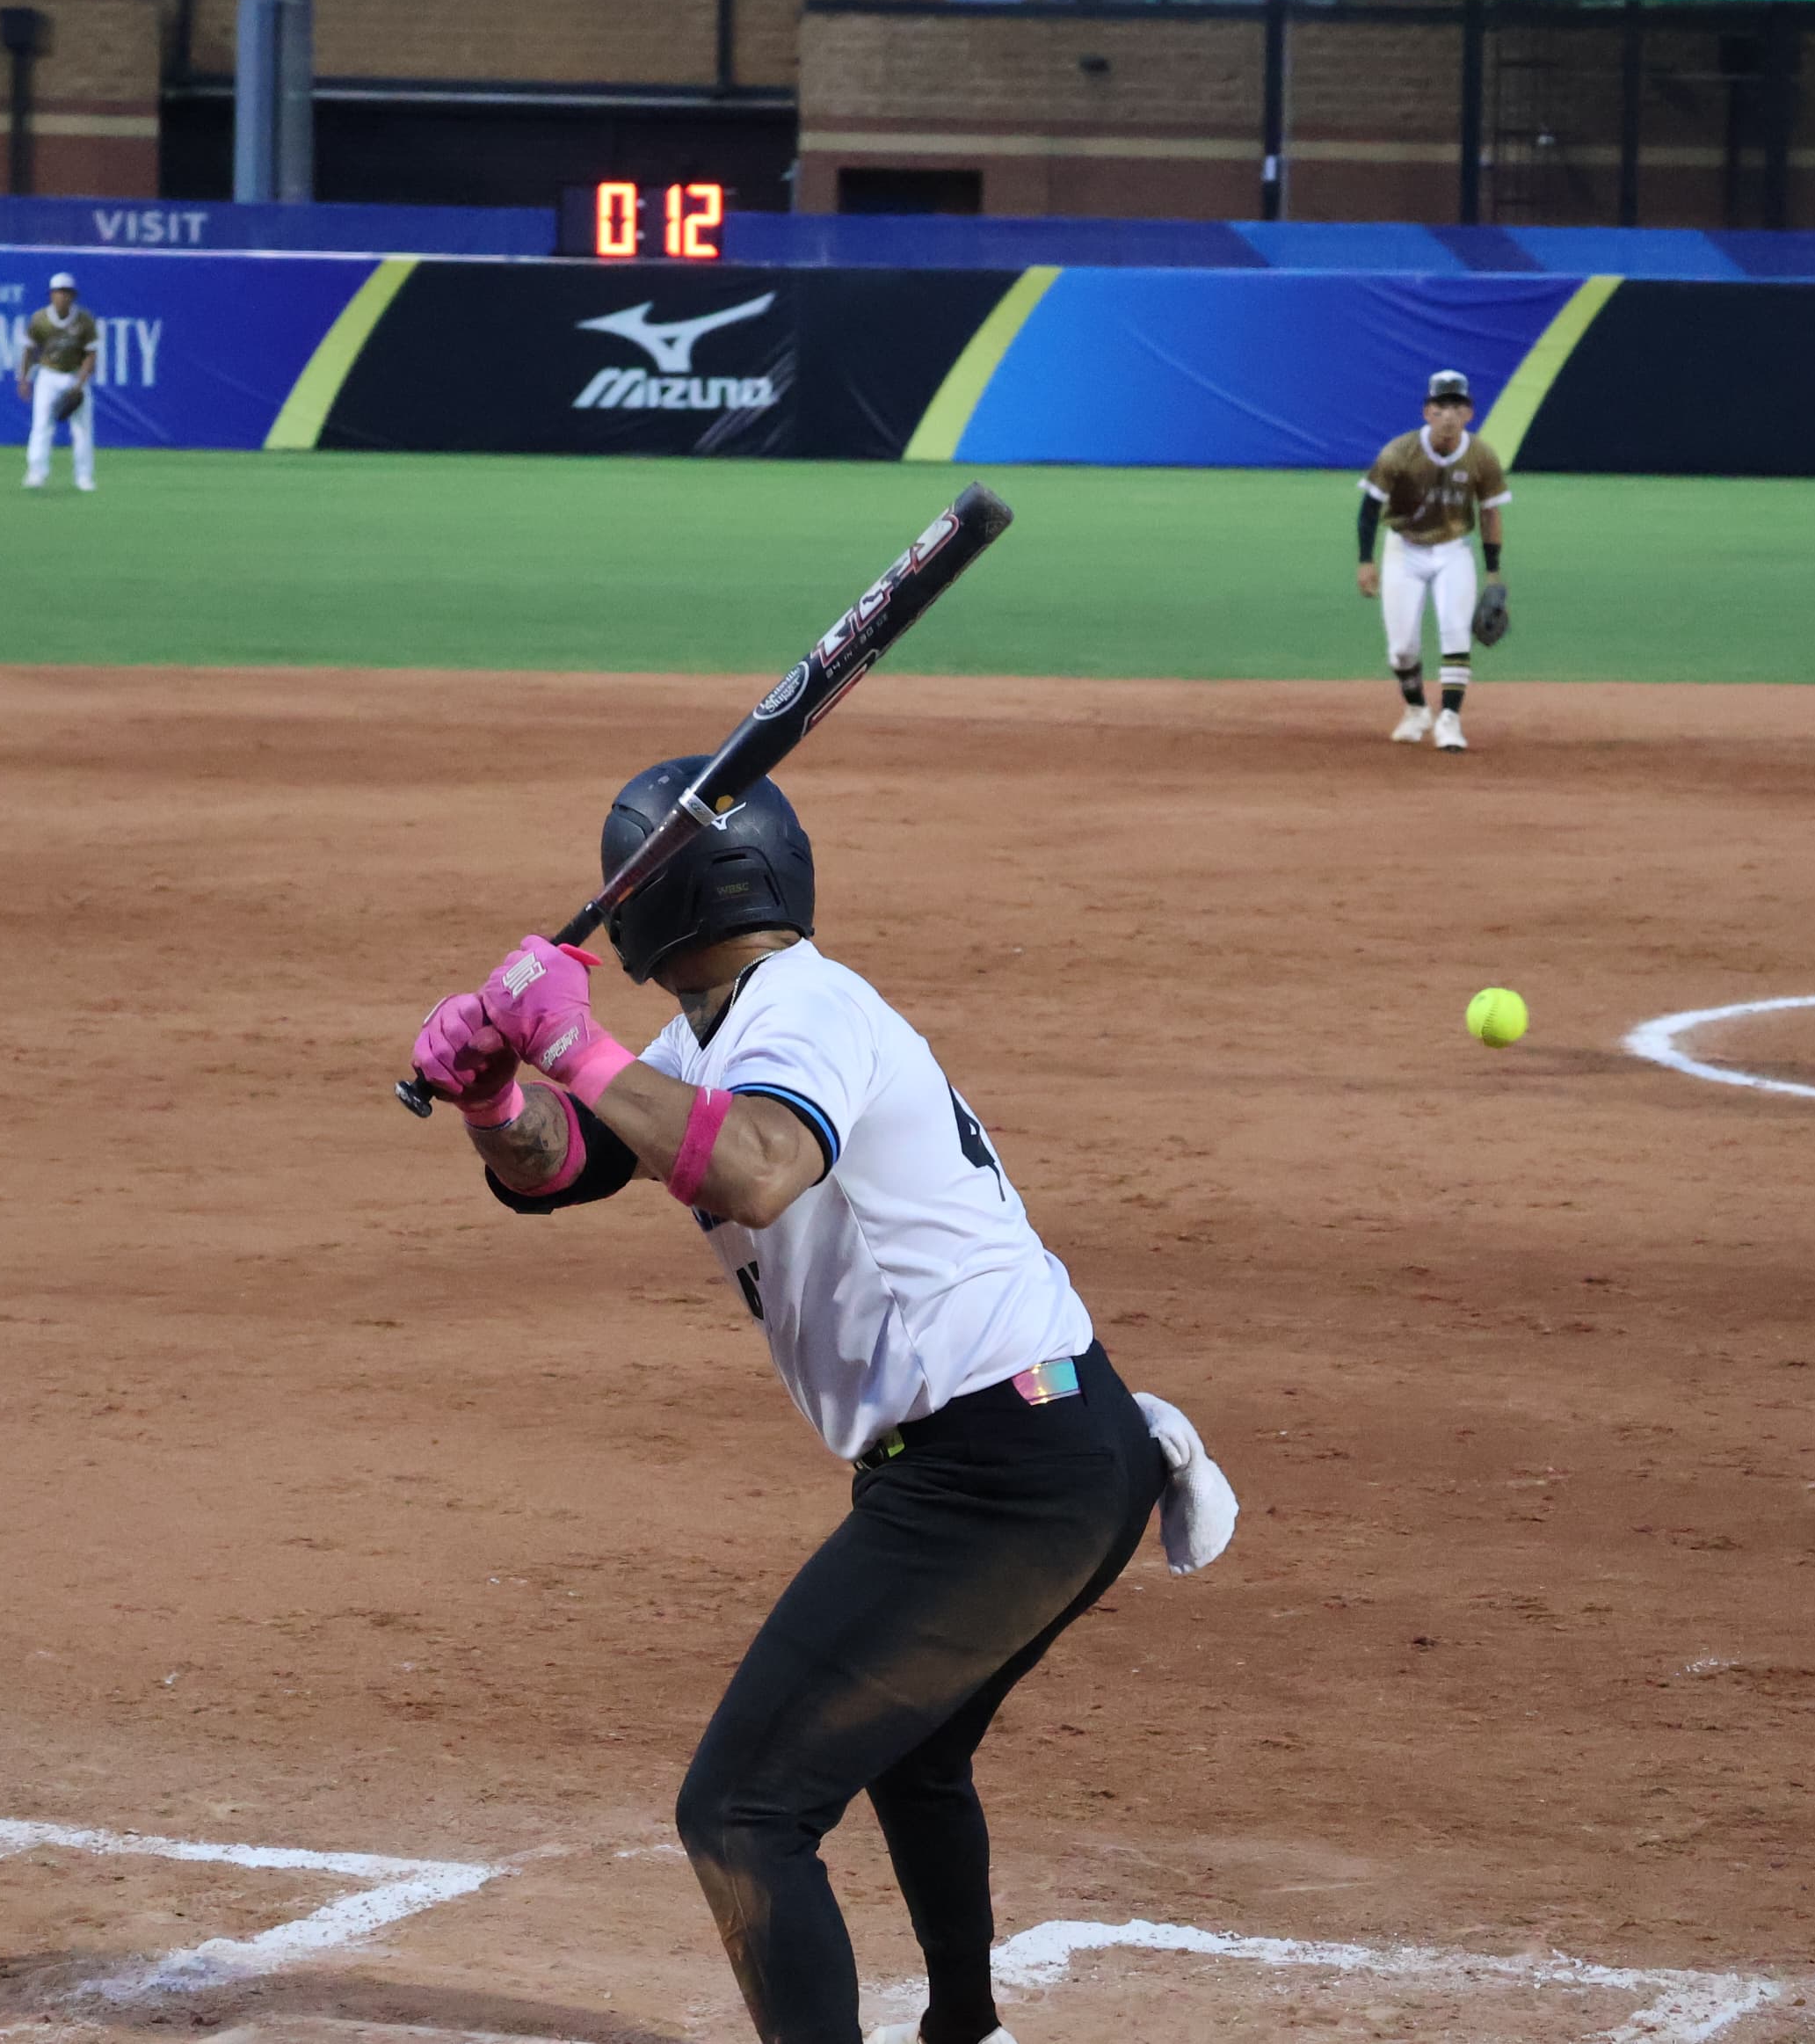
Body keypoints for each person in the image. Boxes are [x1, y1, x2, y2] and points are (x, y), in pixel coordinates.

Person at [410, 763, 1238, 2044]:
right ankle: (968, 2028)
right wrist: (491, 1098)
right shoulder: (714, 1036)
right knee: (911, 1748)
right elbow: (565, 1161)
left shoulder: (805, 1009)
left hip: (1001, 1471)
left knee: (741, 1812)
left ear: (651, 903)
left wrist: (569, 1040)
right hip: (1044, 1448)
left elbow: (753, 1168)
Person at [1354, 368, 1513, 754]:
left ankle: (1450, 720)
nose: (1449, 415)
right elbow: (1370, 507)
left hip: (1453, 551)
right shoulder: (1399, 452)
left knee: (1456, 633)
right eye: (1441, 406)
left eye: (1457, 406)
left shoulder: (1481, 456)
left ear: (1469, 413)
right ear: (1427, 412)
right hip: (1404, 550)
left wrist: (1493, 572)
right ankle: (1417, 709)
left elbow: (1490, 513)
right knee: (1401, 649)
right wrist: (1365, 560)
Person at [20, 273, 100, 493]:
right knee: (42, 425)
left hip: (75, 375)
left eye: (67, 292)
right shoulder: (40, 320)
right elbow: (28, 351)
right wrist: (24, 379)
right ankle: (36, 472)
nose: (63, 296)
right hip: (48, 375)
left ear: (73, 296)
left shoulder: (84, 320)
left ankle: (83, 476)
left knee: (82, 429)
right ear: (51, 295)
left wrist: (79, 384)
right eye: (58, 292)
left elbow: (91, 354)